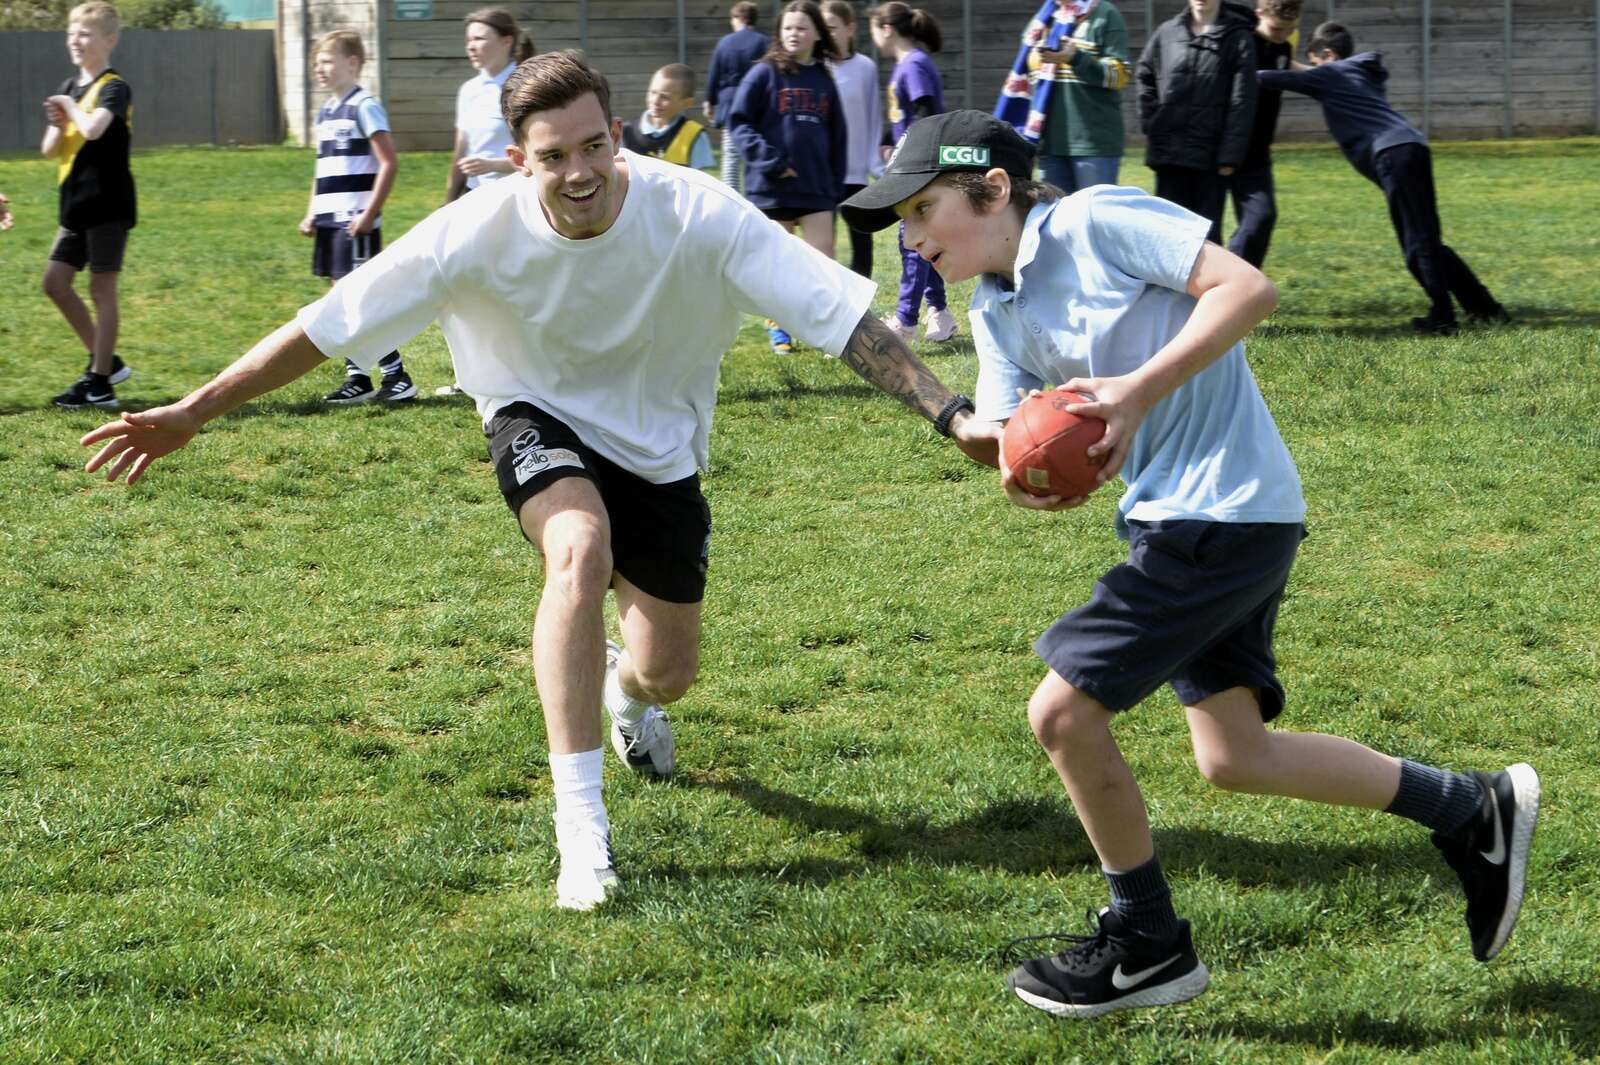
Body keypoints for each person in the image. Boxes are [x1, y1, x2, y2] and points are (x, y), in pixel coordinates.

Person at [82, 51, 996, 914]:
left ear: (617, 135)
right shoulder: (471, 231)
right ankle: (581, 826)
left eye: (594, 146)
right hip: (532, 416)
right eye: (555, 156)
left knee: (668, 671)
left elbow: (843, 320)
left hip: (660, 449)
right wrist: (194, 410)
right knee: (578, 549)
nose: (580, 172)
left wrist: (952, 415)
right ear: (520, 159)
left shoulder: (699, 213)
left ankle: (624, 696)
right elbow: (327, 326)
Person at [840, 109, 1539, 1019]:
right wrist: (1006, 458)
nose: (911, 236)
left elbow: (1246, 288)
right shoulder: (994, 310)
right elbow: (1010, 434)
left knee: (1061, 714)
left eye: (922, 209)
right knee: (1235, 755)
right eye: (904, 219)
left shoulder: (1095, 221)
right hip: (1180, 523)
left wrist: (1137, 391)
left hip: (1223, 510)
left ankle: (1148, 942)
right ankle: (1470, 808)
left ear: (994, 188)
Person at [1260, 22, 1509, 334]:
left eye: (1315, 61)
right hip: (1412, 148)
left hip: (1393, 156)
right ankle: (1485, 309)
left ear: (1328, 54)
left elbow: (1266, 78)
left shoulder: (1330, 75)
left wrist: (1244, 60)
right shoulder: (1358, 72)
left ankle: (1443, 316)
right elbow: (1307, 73)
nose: (1313, 68)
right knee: (1428, 240)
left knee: (1417, 245)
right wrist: (1293, 58)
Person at [298, 30, 415, 405]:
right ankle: (359, 377)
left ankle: (396, 375)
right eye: (316, 63)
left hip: (354, 224)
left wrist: (369, 213)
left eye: (327, 61)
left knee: (359, 301)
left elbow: (389, 162)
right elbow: (323, 170)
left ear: (352, 63)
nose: (319, 68)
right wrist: (313, 212)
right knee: (341, 303)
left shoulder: (365, 106)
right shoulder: (326, 112)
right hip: (330, 223)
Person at [729, 0, 847, 355]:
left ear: (817, 34)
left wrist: (835, 182)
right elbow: (739, 123)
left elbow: (838, 135)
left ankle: (821, 328)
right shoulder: (763, 73)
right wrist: (772, 162)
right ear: (779, 33)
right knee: (778, 263)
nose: (794, 33)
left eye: (802, 27)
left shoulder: (824, 79)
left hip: (816, 187)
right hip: (772, 187)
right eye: (788, 28)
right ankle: (778, 325)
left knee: (822, 261)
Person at [41, 1, 136, 412]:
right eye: (71, 34)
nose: (75, 41)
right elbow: (49, 150)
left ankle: (100, 385)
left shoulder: (115, 87)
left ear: (109, 40)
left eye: (85, 34)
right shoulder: (70, 87)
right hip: (75, 208)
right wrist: (59, 121)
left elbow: (94, 129)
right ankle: (107, 363)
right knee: (55, 283)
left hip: (108, 206)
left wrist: (69, 108)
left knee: (101, 289)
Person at [438, 8, 534, 397]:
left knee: (514, 291)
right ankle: (474, 378)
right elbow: (460, 152)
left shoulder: (524, 85)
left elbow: (541, 152)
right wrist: (449, 201)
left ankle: (526, 375)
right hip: (475, 202)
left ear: (507, 41)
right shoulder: (469, 90)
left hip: (519, 201)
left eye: (480, 38)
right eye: (468, 39)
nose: (471, 46)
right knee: (465, 291)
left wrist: (495, 165)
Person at [871, 2, 957, 345]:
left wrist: (908, 149)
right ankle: (940, 312)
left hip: (920, 167)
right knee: (921, 240)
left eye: (874, 30)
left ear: (886, 29)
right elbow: (904, 115)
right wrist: (888, 141)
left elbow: (926, 113)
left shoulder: (915, 64)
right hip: (911, 165)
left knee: (912, 242)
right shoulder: (907, 64)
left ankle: (906, 322)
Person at [1137, 0, 1257, 244]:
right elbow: (1144, 75)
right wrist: (1153, 124)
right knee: (1168, 236)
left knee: (1206, 240)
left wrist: (1229, 156)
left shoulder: (1239, 37)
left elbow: (1242, 101)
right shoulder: (1167, 32)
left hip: (1210, 159)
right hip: (1169, 155)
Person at [995, 0, 1130, 194]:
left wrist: (1076, 58)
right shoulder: (1043, 19)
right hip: (1048, 144)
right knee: (1056, 211)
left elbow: (1120, 75)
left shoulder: (1105, 14)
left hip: (1093, 145)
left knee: (1091, 210)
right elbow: (1028, 82)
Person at [1224, 0, 1298, 268]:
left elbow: (1289, 71)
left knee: (1262, 216)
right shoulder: (1238, 40)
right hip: (1220, 147)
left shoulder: (1283, 47)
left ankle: (1236, 276)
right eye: (1276, 29)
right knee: (1204, 227)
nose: (1283, 35)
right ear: (1259, 15)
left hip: (1256, 154)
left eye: (1289, 29)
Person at [822, 1, 883, 281]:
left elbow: (874, 117)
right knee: (824, 243)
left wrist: (875, 165)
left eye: (832, 27)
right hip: (823, 173)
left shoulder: (865, 67)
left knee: (861, 242)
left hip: (855, 173)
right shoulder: (815, 67)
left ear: (850, 29)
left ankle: (861, 298)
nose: (827, 33)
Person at [704, 2, 769, 193]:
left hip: (729, 103)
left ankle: (730, 195)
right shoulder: (764, 42)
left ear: (739, 18)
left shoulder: (724, 42)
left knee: (731, 155)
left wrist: (710, 101)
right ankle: (756, 192)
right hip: (757, 102)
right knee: (755, 149)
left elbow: (714, 74)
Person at [622, 64, 717, 173]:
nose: (655, 101)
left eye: (665, 97)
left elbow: (700, 180)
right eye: (653, 92)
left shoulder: (694, 135)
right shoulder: (626, 132)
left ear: (687, 103)